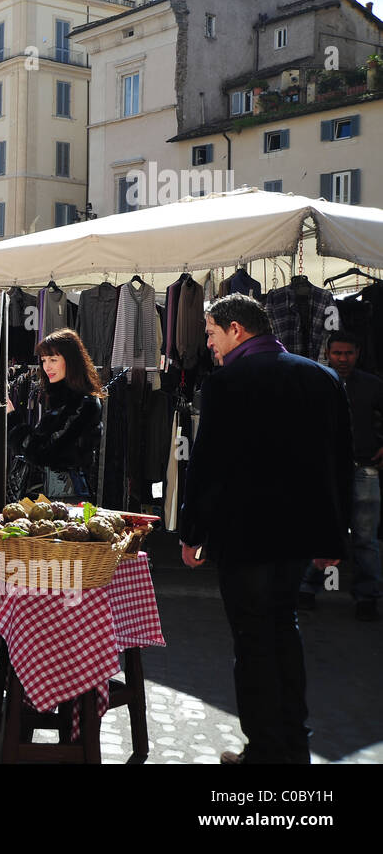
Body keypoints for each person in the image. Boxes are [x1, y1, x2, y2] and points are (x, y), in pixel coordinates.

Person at [179, 295, 352, 765]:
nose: (209, 345)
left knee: (254, 640)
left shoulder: (227, 382)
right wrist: (334, 536)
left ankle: (265, 751)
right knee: (283, 630)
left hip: (246, 534)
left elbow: (207, 467)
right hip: (297, 536)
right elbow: (340, 466)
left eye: (212, 334)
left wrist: (192, 532)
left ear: (237, 329)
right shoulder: (322, 377)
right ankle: (293, 743)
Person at [299, 332, 382, 621]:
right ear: (328, 352)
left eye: (348, 353)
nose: (343, 359)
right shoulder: (315, 382)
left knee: (365, 537)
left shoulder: (371, 385)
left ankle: (366, 597)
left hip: (363, 467)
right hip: (326, 469)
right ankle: (307, 588)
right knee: (320, 528)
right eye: (338, 353)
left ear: (357, 352)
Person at [5, 328, 104, 502]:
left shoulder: (83, 404)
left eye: (53, 359)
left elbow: (44, 452)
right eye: (43, 360)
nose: (46, 366)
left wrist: (13, 420)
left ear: (71, 361)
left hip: (64, 497)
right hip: (52, 495)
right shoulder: (61, 402)